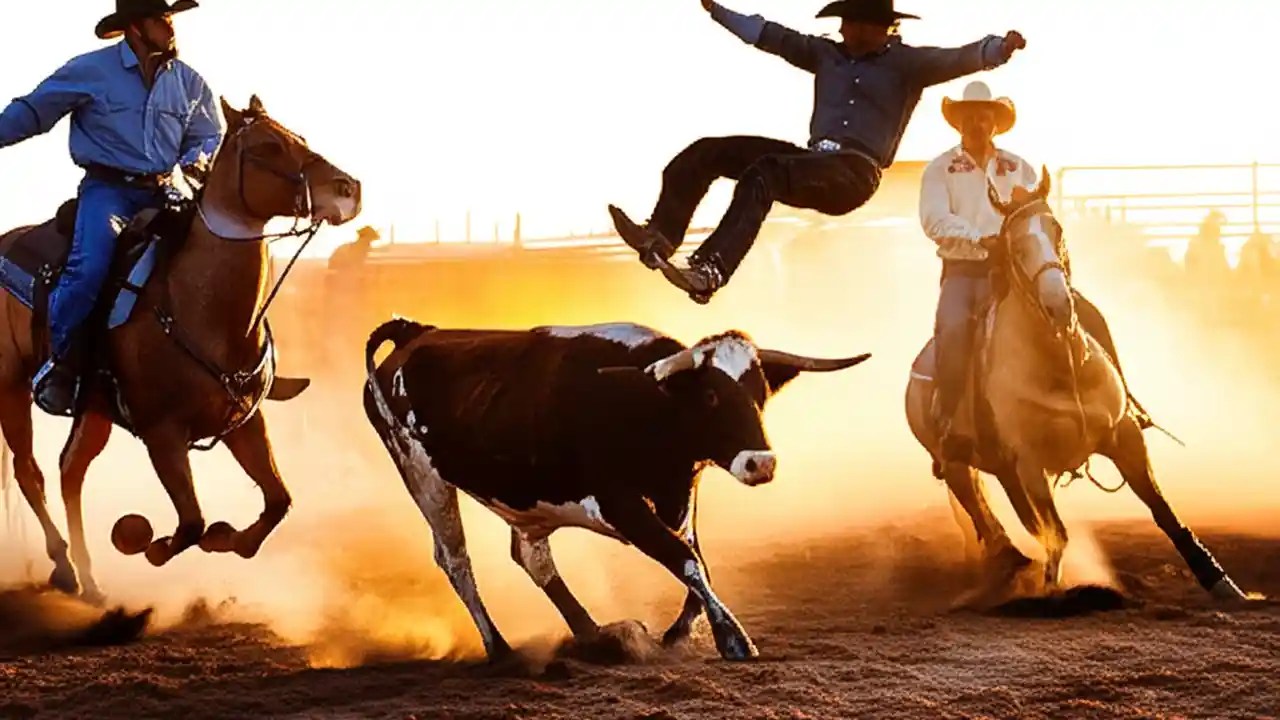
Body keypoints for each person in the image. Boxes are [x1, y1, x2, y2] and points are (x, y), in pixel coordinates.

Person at [607, 0, 1026, 303]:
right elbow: (771, 36)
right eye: (845, 24)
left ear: (879, 28)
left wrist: (1000, 48)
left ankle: (711, 269)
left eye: (854, 24)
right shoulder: (826, 54)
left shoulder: (907, 65)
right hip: (814, 160)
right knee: (708, 152)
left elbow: (960, 58)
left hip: (853, 173)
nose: (847, 31)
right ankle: (661, 234)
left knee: (765, 173)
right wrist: (718, 11)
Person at [0, 0, 222, 415]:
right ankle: (61, 367)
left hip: (166, 191)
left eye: (170, 17)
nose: (170, 25)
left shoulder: (190, 83)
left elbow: (209, 134)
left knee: (222, 256)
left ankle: (234, 363)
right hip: (109, 193)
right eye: (162, 18)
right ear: (137, 27)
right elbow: (34, 111)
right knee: (88, 270)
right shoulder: (91, 71)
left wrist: (199, 159)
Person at [920, 81, 1147, 459]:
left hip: (1019, 271)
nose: (977, 122)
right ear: (957, 122)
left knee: (1090, 317)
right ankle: (952, 422)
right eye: (969, 116)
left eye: (984, 116)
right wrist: (979, 238)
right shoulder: (940, 169)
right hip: (967, 271)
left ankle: (1125, 405)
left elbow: (1039, 216)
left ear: (995, 122)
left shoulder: (1019, 167)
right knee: (955, 329)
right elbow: (934, 220)